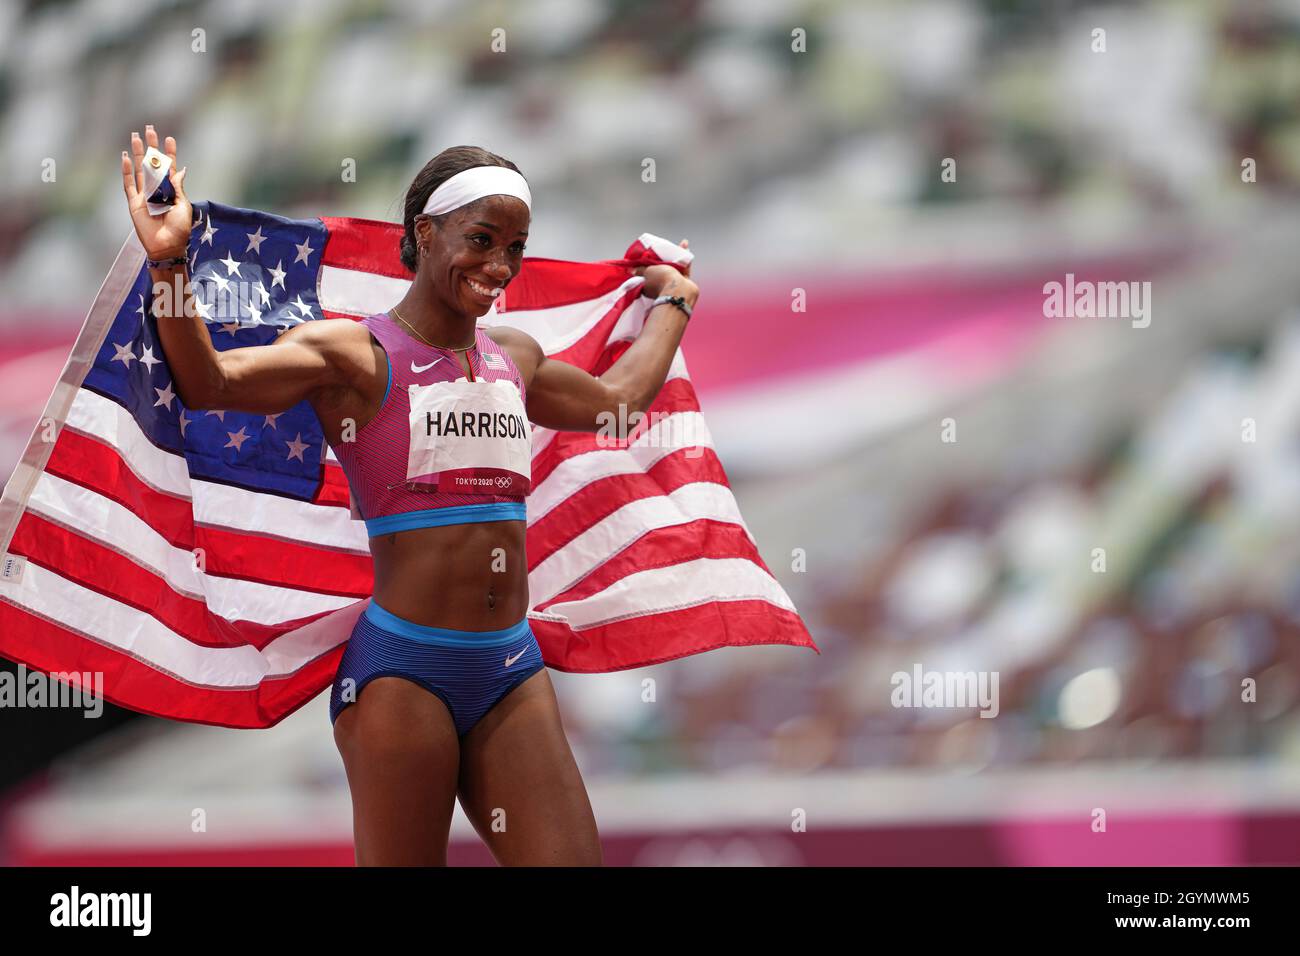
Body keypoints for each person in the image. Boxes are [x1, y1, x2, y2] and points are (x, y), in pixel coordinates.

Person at [121, 125, 698, 866]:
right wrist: (170, 258)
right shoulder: (350, 355)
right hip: (403, 672)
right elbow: (211, 384)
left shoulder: (513, 356)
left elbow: (618, 401)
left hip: (509, 669)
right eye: (482, 239)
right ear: (424, 233)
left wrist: (675, 302)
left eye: (515, 249)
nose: (499, 266)